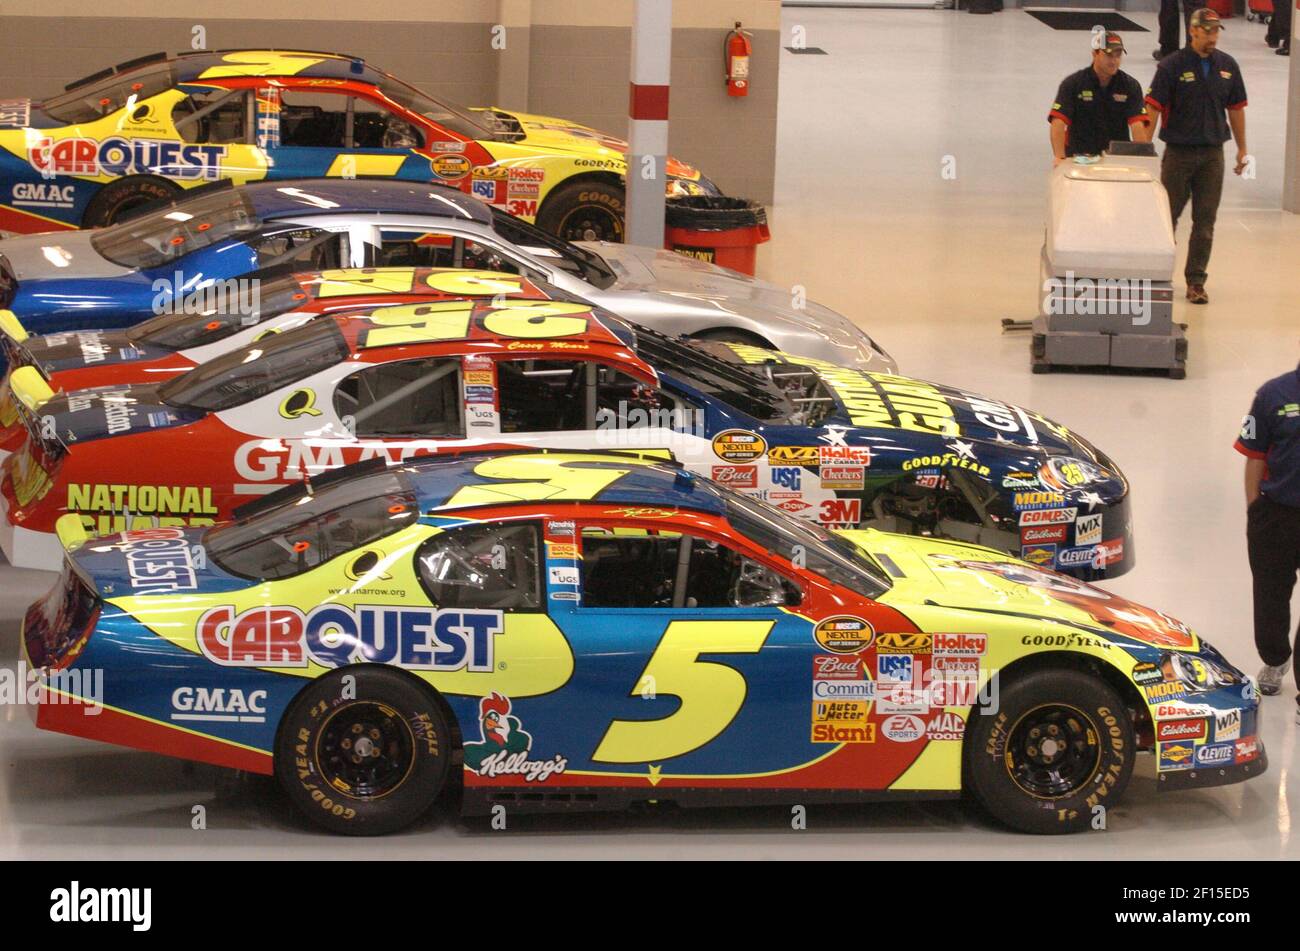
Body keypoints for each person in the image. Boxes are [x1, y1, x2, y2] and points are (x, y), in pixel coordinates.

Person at [1145, 8, 1248, 305]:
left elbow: (1236, 109)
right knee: (1168, 220)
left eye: (1216, 31)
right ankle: (1158, 278)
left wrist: (1242, 148)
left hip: (1213, 155)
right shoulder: (1171, 66)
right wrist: (1142, 150)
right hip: (1178, 154)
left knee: (1205, 223)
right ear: (1193, 31)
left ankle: (1196, 282)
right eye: (1207, 31)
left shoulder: (1227, 66)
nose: (1213, 37)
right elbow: (1151, 108)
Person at [1234, 351, 1300, 723]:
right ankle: (1275, 659)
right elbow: (1254, 454)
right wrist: (1254, 508)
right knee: (1271, 593)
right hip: (1275, 516)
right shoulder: (1271, 395)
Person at [1048, 31, 1151, 166]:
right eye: (1109, 55)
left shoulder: (1130, 85)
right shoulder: (1073, 84)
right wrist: (1059, 158)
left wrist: (1142, 159)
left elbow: (1137, 125)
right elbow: (1058, 122)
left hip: (1116, 158)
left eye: (1118, 55)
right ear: (1095, 54)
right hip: (1079, 158)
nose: (1114, 61)